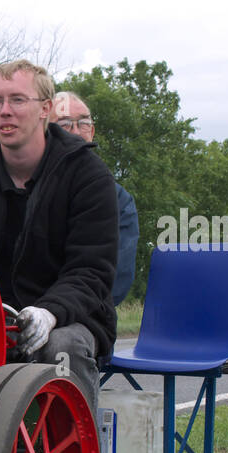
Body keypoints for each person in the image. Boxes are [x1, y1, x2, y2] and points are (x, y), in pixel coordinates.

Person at [0, 59, 118, 419]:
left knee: (61, 349)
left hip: (71, 316)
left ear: (45, 109)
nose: (4, 112)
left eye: (17, 100)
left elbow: (91, 269)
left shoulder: (88, 175)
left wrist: (49, 313)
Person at [51, 91, 138, 306]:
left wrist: (56, 310)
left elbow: (115, 280)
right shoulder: (19, 189)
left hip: (84, 315)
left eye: (84, 123)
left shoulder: (120, 201)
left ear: (93, 131)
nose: (77, 132)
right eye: (64, 124)